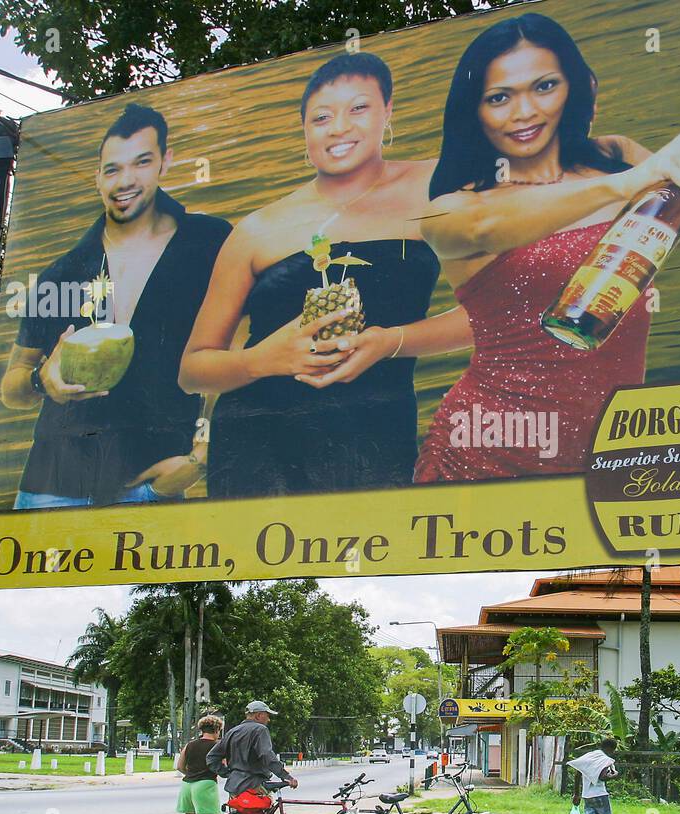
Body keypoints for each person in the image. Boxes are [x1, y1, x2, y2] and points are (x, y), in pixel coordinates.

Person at [414, 12, 680, 482]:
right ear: (473, 109)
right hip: (486, 450)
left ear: (575, 87)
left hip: (606, 451)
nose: (524, 113)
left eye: (544, 87)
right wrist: (630, 184)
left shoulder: (613, 156)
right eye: (499, 97)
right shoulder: (458, 205)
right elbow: (480, 229)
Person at [179, 52, 472, 496]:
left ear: (387, 112)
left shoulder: (435, 186)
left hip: (375, 439)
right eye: (322, 117)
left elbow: (496, 315)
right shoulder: (259, 228)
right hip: (255, 448)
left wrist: (391, 342)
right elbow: (193, 368)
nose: (339, 127)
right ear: (305, 129)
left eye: (358, 108)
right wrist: (259, 360)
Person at [0, 104, 232, 508]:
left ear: (166, 161)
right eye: (112, 169)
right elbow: (11, 387)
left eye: (142, 163)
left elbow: (245, 344)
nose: (126, 181)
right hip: (52, 488)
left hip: (155, 479)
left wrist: (203, 454)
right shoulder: (64, 272)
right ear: (97, 178)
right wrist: (42, 381)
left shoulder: (210, 244)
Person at [204, 700, 298, 800]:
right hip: (254, 785)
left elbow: (211, 758)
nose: (268, 719)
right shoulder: (260, 730)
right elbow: (267, 755)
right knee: (264, 810)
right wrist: (286, 776)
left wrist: (228, 773)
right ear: (258, 715)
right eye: (267, 715)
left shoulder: (232, 732)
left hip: (234, 786)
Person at [555, 737, 618, 814]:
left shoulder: (590, 756)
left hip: (587, 796)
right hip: (600, 795)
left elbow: (578, 773)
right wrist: (614, 775)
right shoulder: (605, 759)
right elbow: (602, 776)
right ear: (609, 749)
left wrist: (577, 794)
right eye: (613, 750)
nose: (613, 753)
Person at [175, 714, 224, 814]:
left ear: (202, 729)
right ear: (217, 730)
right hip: (206, 784)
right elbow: (224, 765)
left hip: (187, 785)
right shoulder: (217, 746)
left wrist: (191, 773)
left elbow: (180, 766)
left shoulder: (190, 745)